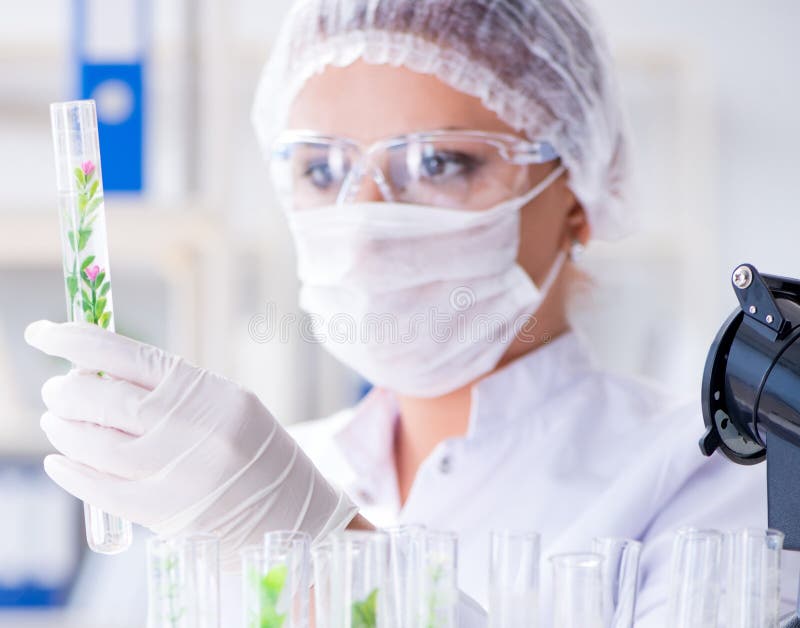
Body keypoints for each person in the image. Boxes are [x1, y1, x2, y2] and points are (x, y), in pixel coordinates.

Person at [25, 0, 799, 625]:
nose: (365, 219)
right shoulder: (231, 484)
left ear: (579, 195)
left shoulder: (713, 484)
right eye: (322, 169)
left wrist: (323, 551)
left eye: (439, 162)